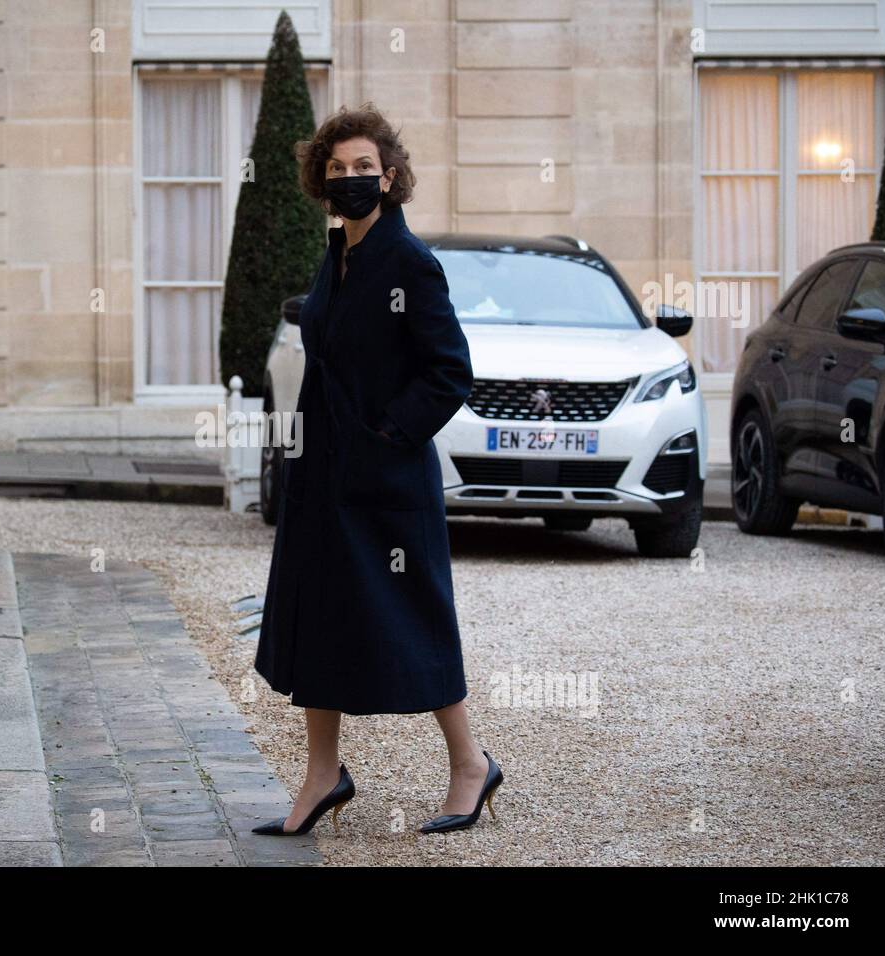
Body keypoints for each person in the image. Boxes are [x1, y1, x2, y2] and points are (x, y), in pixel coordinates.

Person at [253, 104, 503, 837]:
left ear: (389, 177)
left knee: (414, 619)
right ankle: (323, 775)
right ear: (322, 183)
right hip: (322, 473)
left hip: (387, 480)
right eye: (338, 170)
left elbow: (450, 372)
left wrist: (387, 433)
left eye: (365, 167)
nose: (353, 178)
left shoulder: (410, 261)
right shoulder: (338, 257)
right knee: (315, 617)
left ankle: (470, 764)